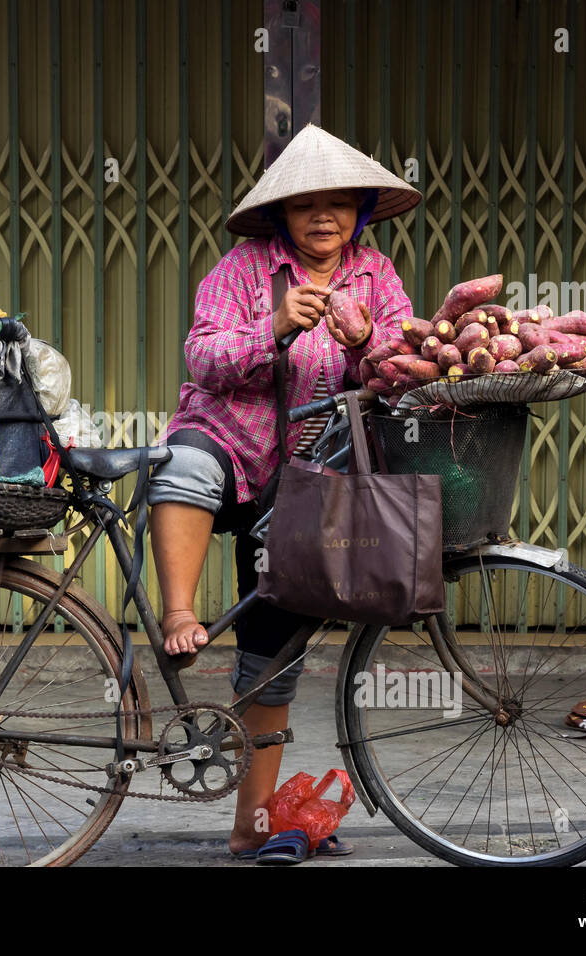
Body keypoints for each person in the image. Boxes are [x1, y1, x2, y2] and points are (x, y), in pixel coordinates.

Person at [146, 124, 422, 863]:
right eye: (307, 206)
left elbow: (404, 369)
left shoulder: (377, 275)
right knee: (185, 467)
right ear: (281, 216)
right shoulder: (240, 269)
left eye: (339, 204)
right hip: (230, 442)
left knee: (270, 659)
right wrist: (271, 327)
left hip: (307, 479)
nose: (323, 217)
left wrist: (368, 343)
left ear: (360, 212)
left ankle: (252, 829)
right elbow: (203, 359)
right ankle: (178, 614)